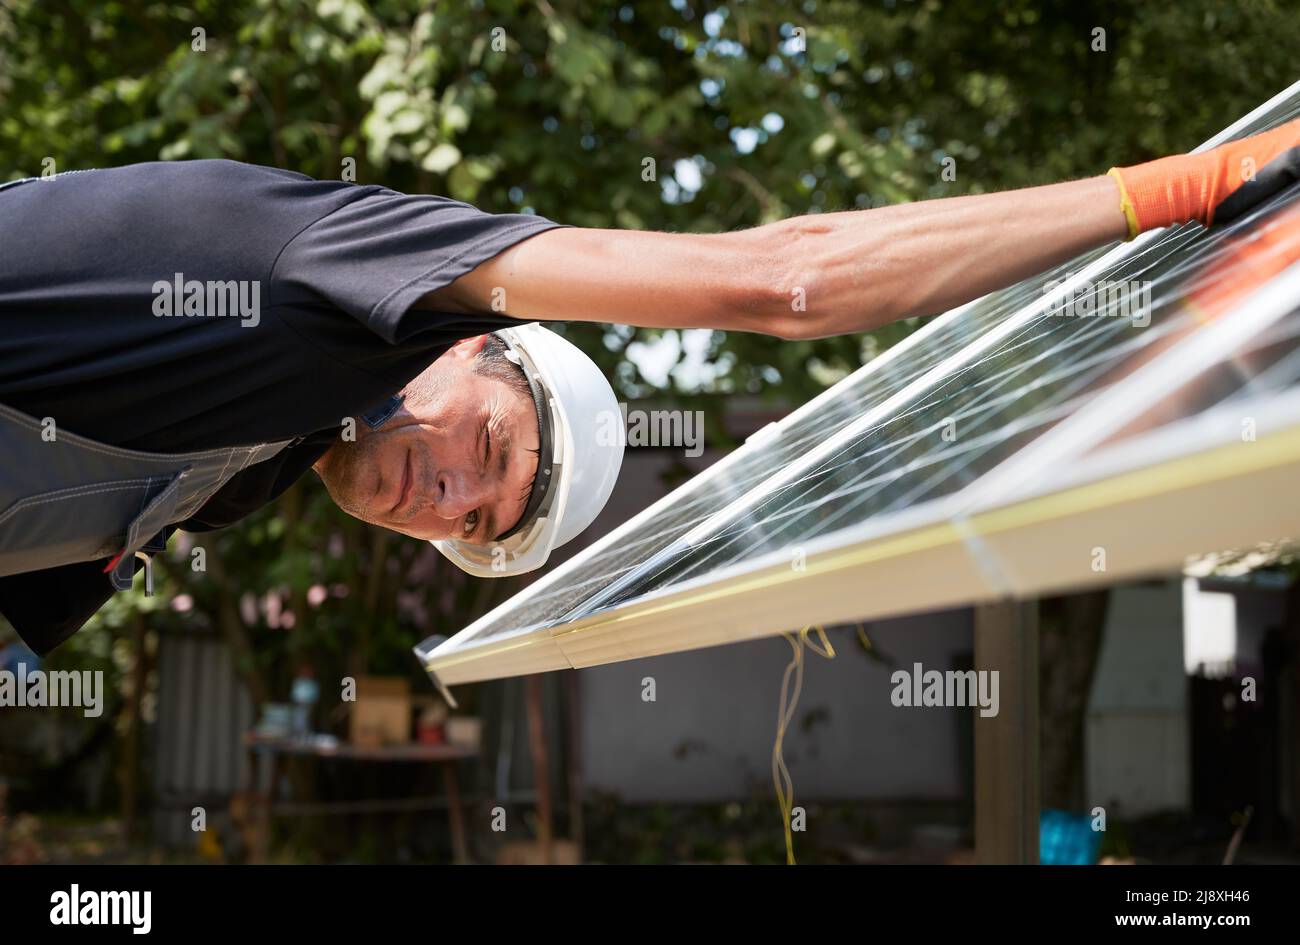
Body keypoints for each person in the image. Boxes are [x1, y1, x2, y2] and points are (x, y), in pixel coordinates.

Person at [1, 117, 1297, 655]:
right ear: (469, 347)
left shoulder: (248, 464)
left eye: (473, 519)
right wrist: (1169, 193)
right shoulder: (348, 265)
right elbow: (787, 284)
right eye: (491, 450)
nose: (449, 496)